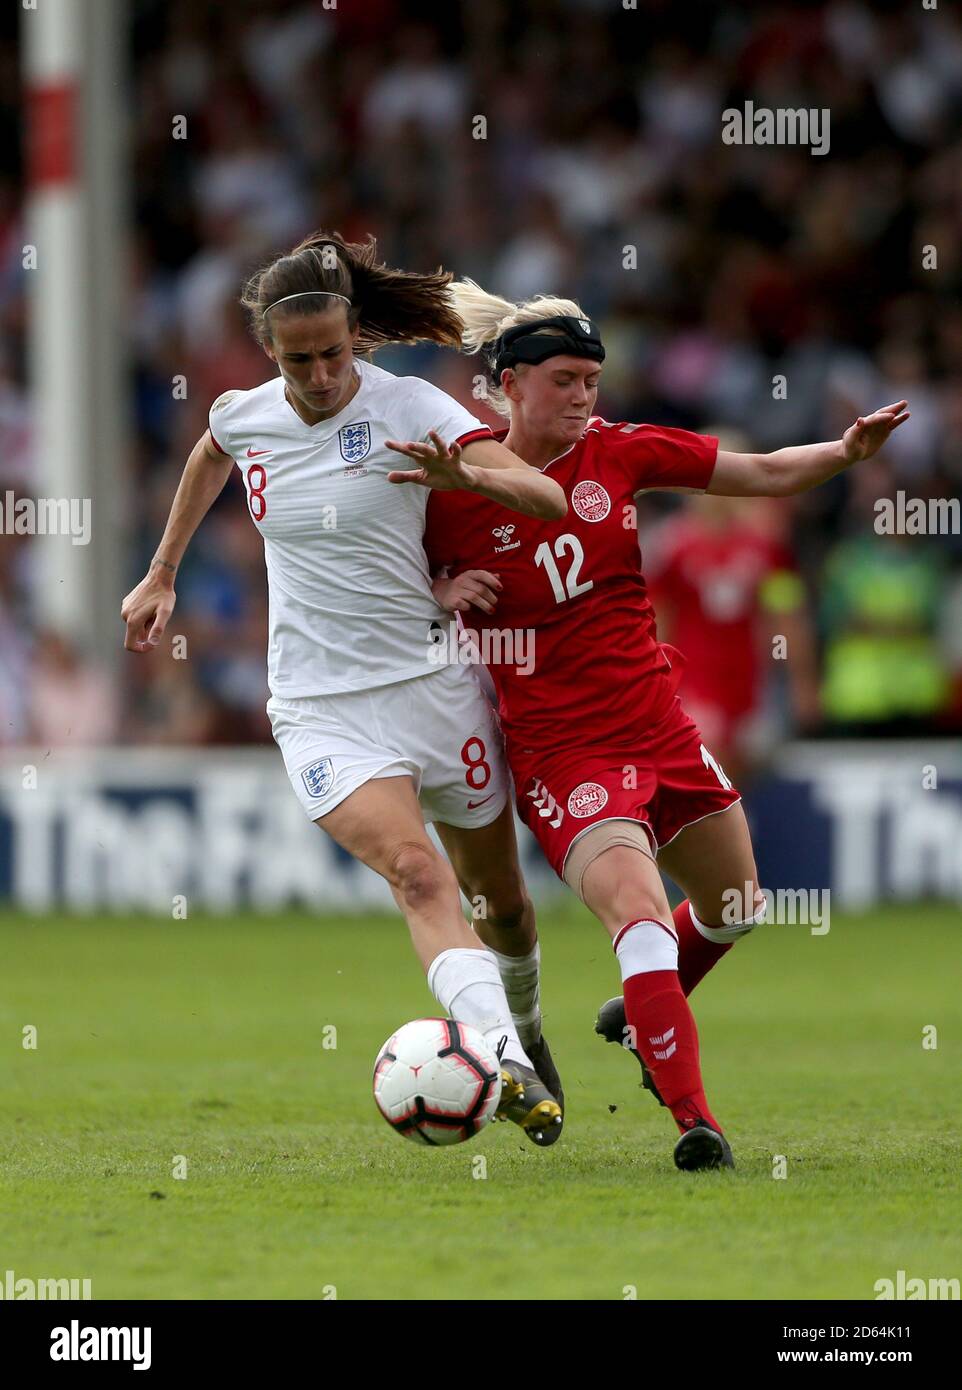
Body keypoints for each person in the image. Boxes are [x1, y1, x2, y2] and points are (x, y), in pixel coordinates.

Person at [413, 279, 908, 1170]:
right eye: (563, 380)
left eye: (591, 381)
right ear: (510, 384)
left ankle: (648, 1009)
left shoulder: (621, 451)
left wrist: (843, 451)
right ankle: (694, 1121)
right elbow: (378, 584)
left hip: (659, 728)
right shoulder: (452, 484)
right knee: (640, 915)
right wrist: (439, 589)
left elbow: (760, 473)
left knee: (736, 906)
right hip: (563, 752)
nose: (582, 397)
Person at [121, 234, 569, 1146]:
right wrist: (162, 570)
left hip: (433, 686)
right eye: (299, 361)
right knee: (416, 872)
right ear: (268, 351)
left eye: (333, 353)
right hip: (321, 706)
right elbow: (210, 453)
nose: (321, 375)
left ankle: (522, 1026)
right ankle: (502, 1060)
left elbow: (547, 499)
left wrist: (466, 474)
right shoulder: (246, 415)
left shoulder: (413, 405)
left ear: (356, 334)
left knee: (504, 905)